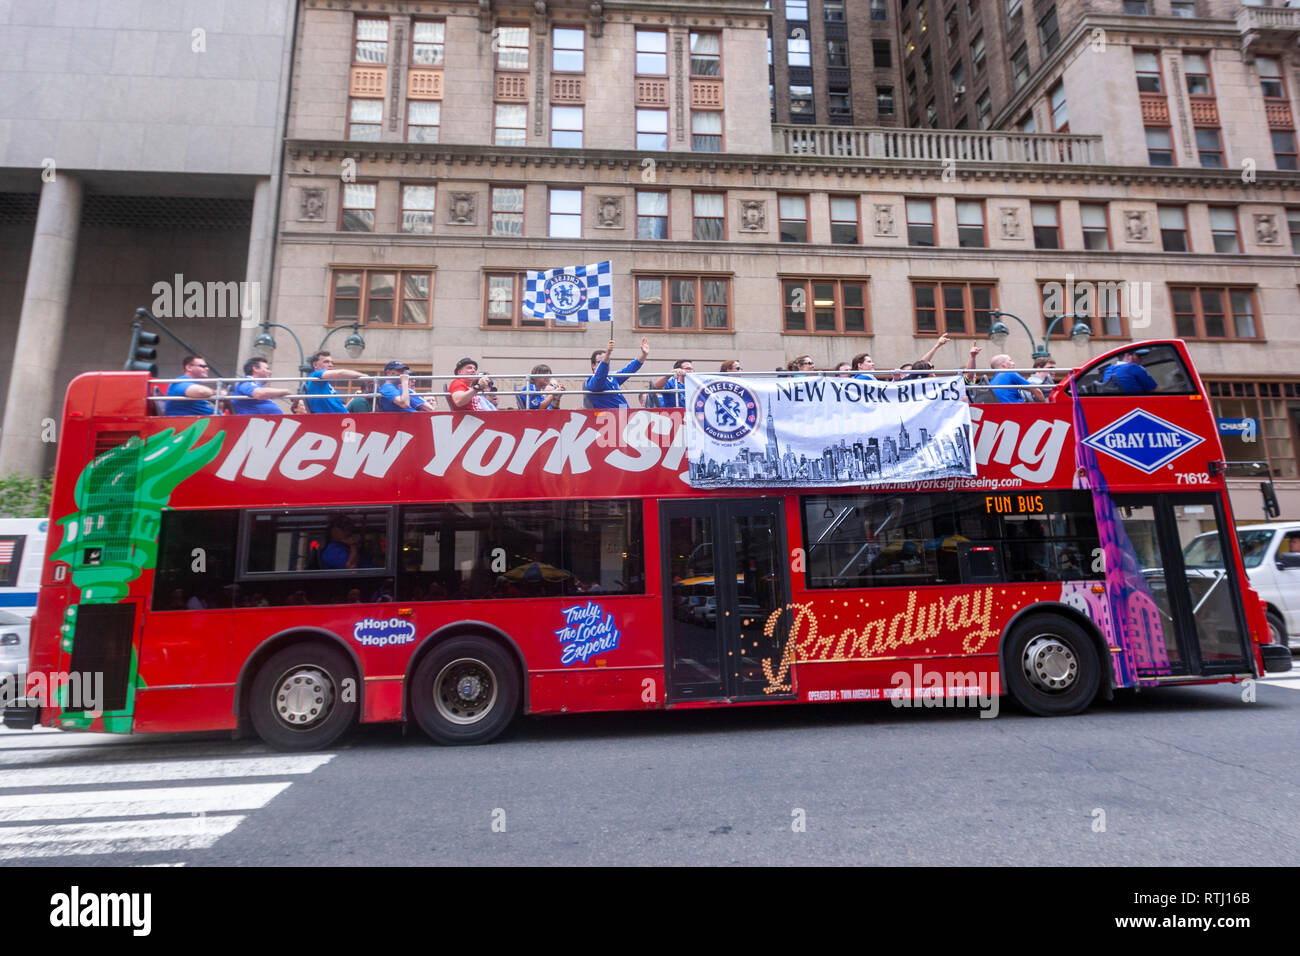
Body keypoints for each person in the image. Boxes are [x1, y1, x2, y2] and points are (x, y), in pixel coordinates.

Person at [586, 337, 650, 409]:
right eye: (600, 362)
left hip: (624, 412)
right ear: (593, 365)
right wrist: (608, 354)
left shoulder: (612, 376)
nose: (606, 363)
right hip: (610, 417)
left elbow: (629, 369)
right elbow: (600, 376)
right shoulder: (592, 382)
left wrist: (644, 355)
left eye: (607, 361)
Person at [304, 350, 370, 413]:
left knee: (360, 401)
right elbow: (340, 373)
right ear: (315, 365)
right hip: (334, 420)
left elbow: (338, 406)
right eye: (326, 362)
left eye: (332, 362)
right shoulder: (316, 376)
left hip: (343, 418)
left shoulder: (326, 385)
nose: (331, 365)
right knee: (360, 401)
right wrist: (365, 376)